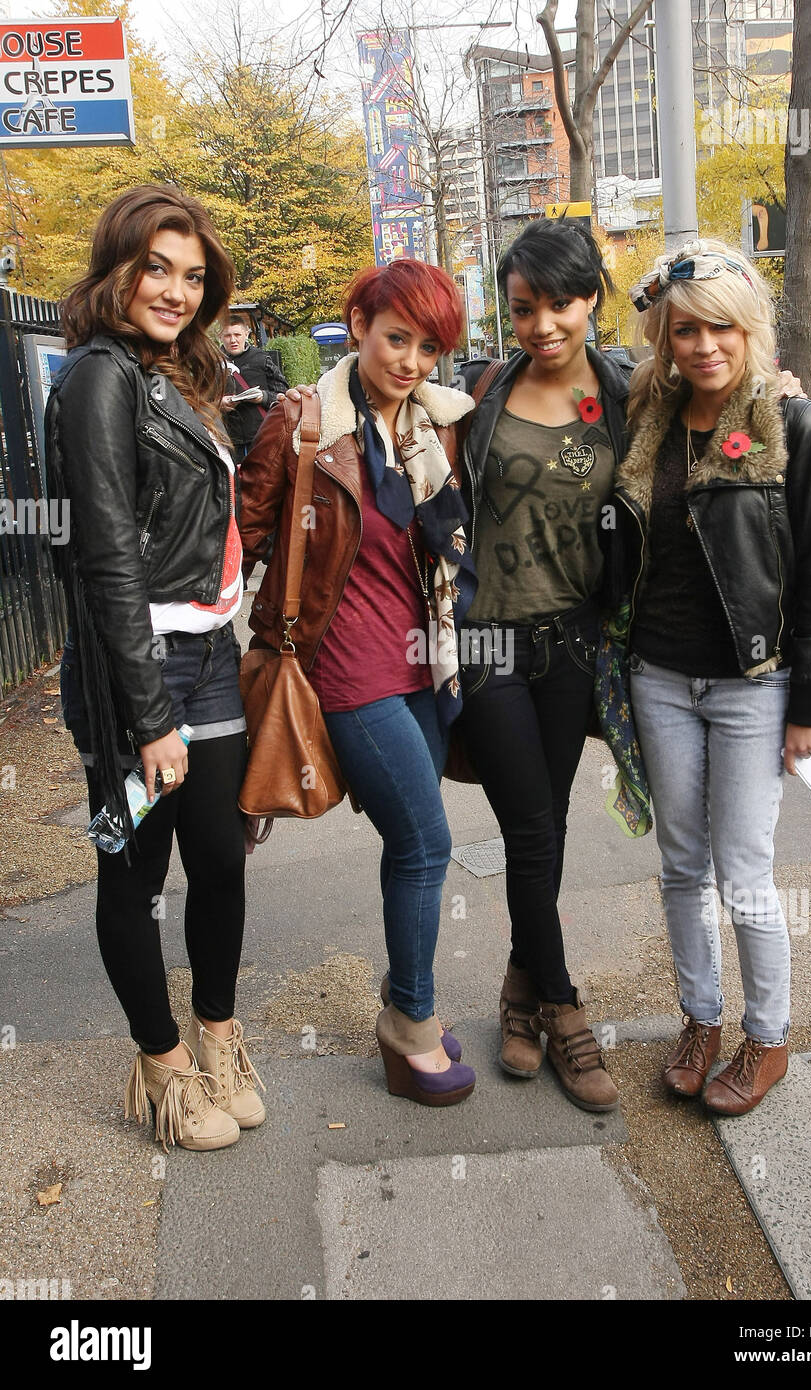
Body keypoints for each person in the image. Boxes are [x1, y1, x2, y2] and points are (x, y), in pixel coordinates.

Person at [47, 185, 264, 1151]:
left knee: (220, 859)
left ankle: (220, 1039)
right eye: (155, 270)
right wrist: (147, 721)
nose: (175, 290)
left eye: (190, 274)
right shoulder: (98, 380)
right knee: (130, 870)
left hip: (209, 659)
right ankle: (165, 1066)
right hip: (134, 676)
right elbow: (105, 564)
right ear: (117, 270)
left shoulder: (175, 375)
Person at [612, 239, 811, 1114]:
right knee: (681, 863)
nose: (702, 345)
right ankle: (700, 1020)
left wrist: (809, 705)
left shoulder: (794, 425)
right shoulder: (649, 420)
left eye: (719, 327)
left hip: (754, 683)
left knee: (744, 868)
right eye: (683, 331)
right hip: (662, 677)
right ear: (664, 339)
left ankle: (768, 1039)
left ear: (748, 330)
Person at [240, 258, 478, 1107]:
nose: (410, 360)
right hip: (344, 674)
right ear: (360, 325)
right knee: (427, 844)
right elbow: (241, 533)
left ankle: (400, 1001)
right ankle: (409, 1023)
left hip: (423, 665)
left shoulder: (432, 427)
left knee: (406, 845)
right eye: (395, 338)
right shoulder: (304, 424)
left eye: (427, 346)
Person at [457, 218, 631, 1111]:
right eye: (524, 307)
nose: (543, 324)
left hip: (573, 643)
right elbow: (377, 389)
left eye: (561, 302)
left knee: (549, 826)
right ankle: (563, 1012)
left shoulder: (624, 394)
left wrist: (785, 391)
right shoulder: (483, 390)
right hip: (489, 641)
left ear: (590, 297)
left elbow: (726, 404)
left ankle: (516, 995)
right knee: (528, 829)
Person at [221, 315, 289, 462]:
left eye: (237, 335)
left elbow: (284, 393)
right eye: (227, 335)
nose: (233, 340)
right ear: (220, 336)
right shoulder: (211, 362)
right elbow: (199, 399)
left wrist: (263, 397)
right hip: (226, 439)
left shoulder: (261, 358)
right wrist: (219, 403)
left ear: (247, 334)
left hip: (261, 435)